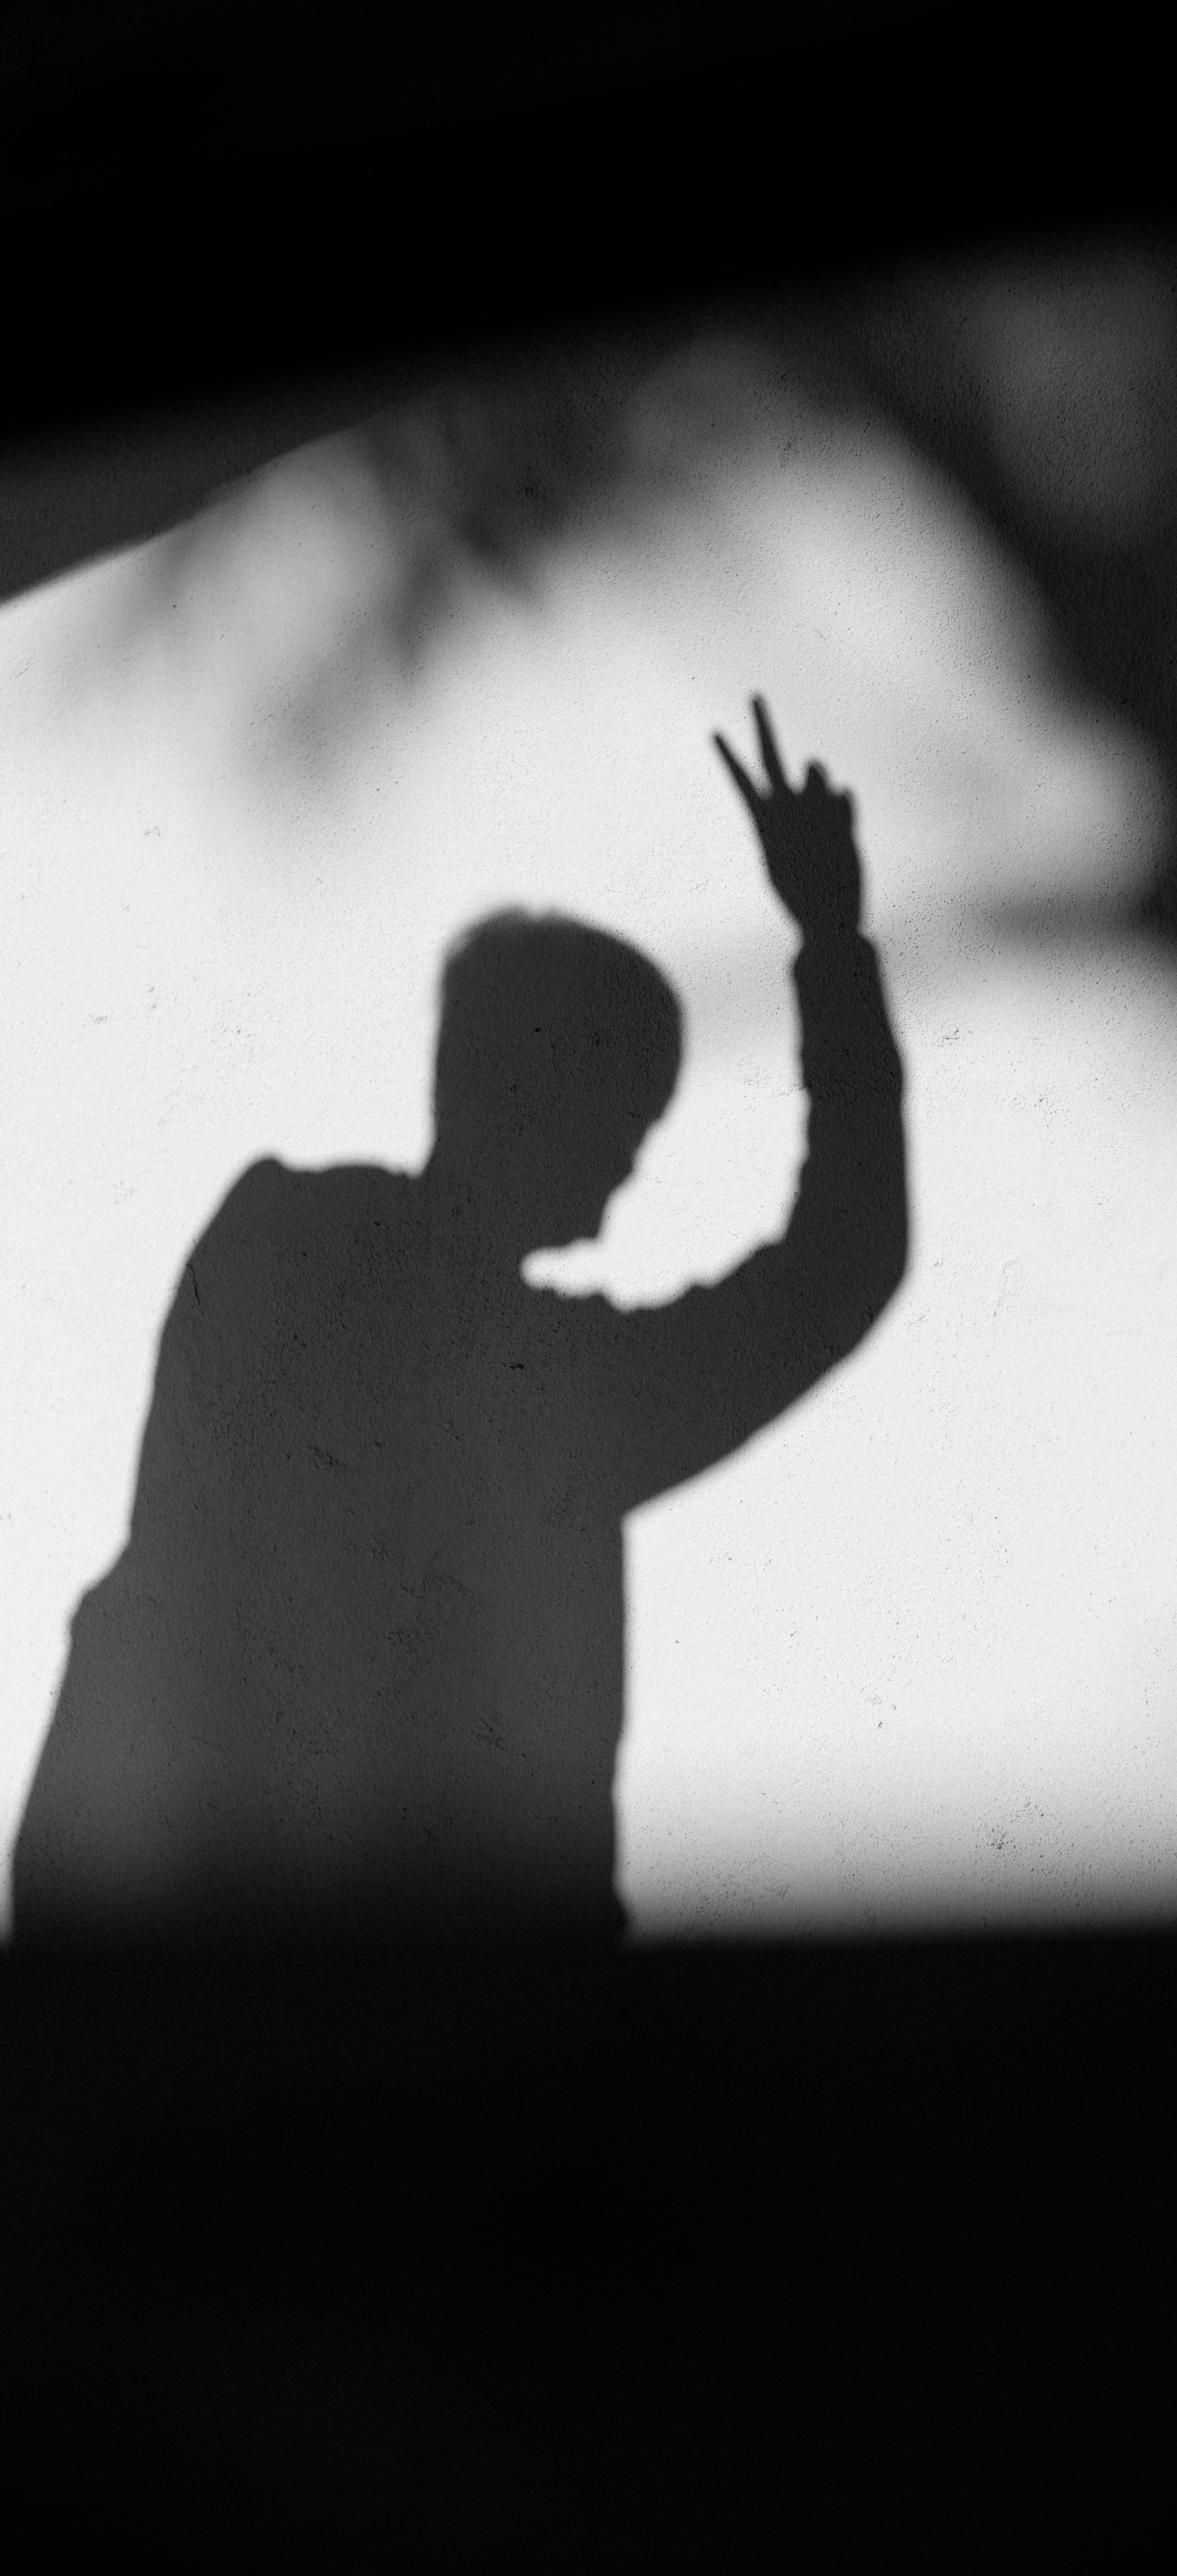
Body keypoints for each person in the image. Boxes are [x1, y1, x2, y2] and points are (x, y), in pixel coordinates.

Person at [12, 699, 908, 1939]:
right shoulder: (553, 1383)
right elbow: (836, 1271)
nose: (631, 1169)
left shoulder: (272, 1237)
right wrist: (832, 944)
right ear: (563, 1108)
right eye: (629, 1126)